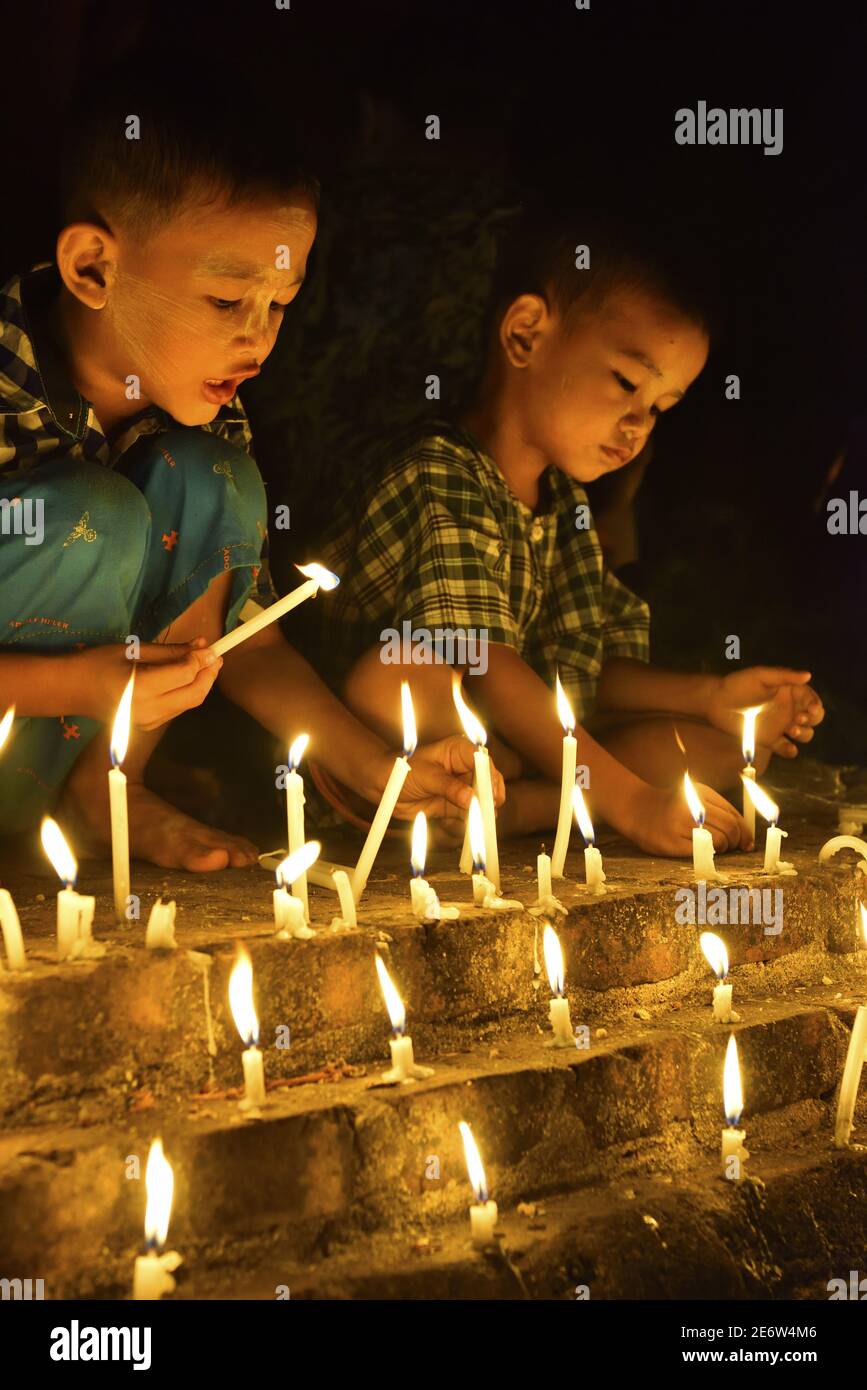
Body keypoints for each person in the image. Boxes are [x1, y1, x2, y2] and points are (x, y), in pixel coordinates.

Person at [0, 61, 499, 872]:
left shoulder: (204, 420)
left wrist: (375, 769)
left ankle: (104, 793)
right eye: (228, 302)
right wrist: (88, 686)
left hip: (58, 763)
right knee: (101, 513)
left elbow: (248, 638)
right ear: (93, 267)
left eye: (281, 304)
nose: (259, 339)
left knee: (210, 477)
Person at [319, 207, 824, 857]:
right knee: (396, 671)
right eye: (625, 383)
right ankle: (528, 799)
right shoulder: (438, 472)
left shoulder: (563, 506)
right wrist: (634, 804)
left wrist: (710, 697)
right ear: (526, 334)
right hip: (397, 753)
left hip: (513, 747)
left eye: (660, 408)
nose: (638, 424)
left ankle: (521, 807)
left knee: (718, 751)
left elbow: (582, 670)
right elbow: (487, 667)